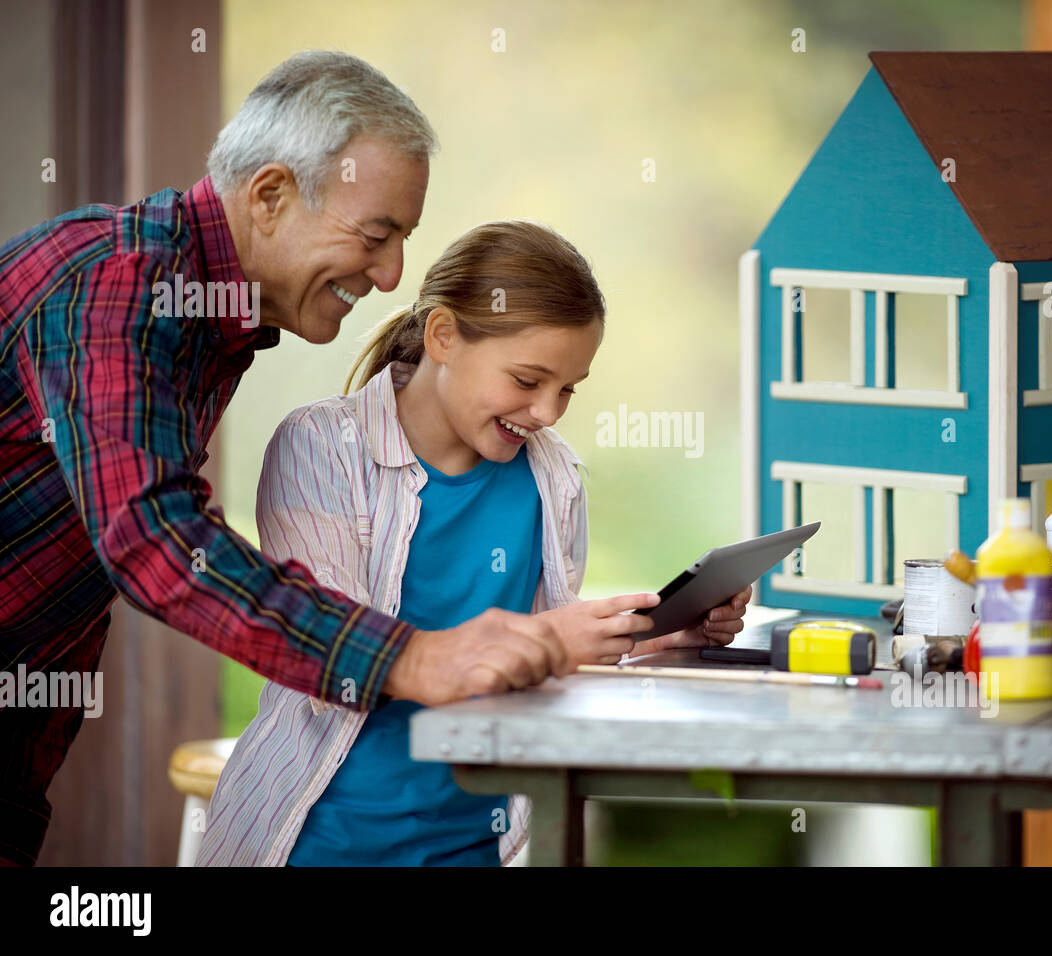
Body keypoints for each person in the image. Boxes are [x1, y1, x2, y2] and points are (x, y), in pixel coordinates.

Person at [2, 51, 562, 866]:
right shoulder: (115, 287)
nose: (393, 273)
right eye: (377, 235)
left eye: (402, 240)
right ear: (269, 196)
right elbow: (156, 542)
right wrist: (407, 655)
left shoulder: (210, 323)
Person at [197, 221, 750, 865]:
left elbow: (542, 671)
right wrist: (548, 642)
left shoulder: (553, 475)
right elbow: (333, 661)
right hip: (326, 838)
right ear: (443, 335)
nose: (547, 412)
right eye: (527, 380)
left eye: (567, 389)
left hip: (475, 843)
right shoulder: (322, 449)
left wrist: (656, 635)